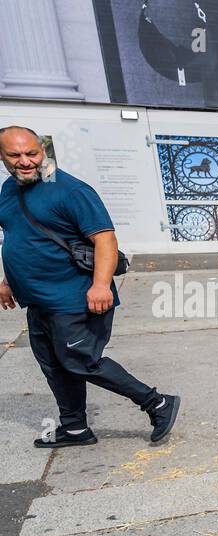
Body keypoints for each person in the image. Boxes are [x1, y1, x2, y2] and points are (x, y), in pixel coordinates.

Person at [0, 126, 178, 448]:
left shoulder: (69, 190)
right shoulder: (8, 190)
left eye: (32, 153)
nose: (25, 161)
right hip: (37, 299)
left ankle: (157, 402)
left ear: (43, 150)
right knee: (53, 363)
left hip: (74, 295)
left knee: (80, 359)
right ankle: (76, 428)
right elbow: (19, 237)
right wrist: (8, 280)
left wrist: (100, 286)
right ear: (2, 156)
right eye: (15, 155)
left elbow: (105, 239)